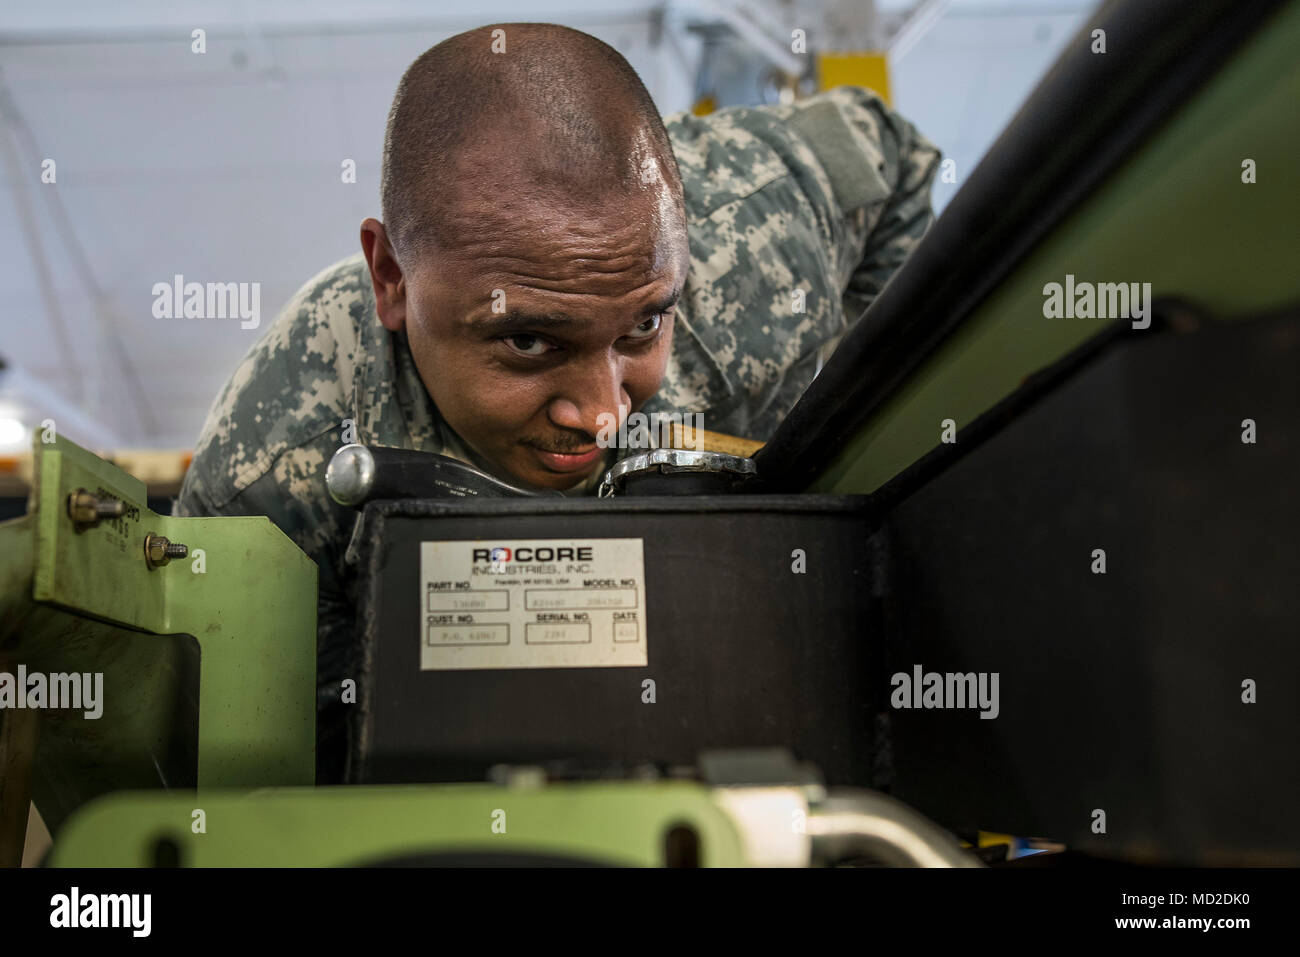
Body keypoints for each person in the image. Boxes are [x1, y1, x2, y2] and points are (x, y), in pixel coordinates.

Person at [176, 22, 940, 780]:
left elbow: (896, 160)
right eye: (531, 343)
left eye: (644, 325)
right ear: (391, 281)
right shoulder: (274, 478)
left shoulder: (762, 225)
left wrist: (844, 467)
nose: (604, 415)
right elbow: (236, 793)